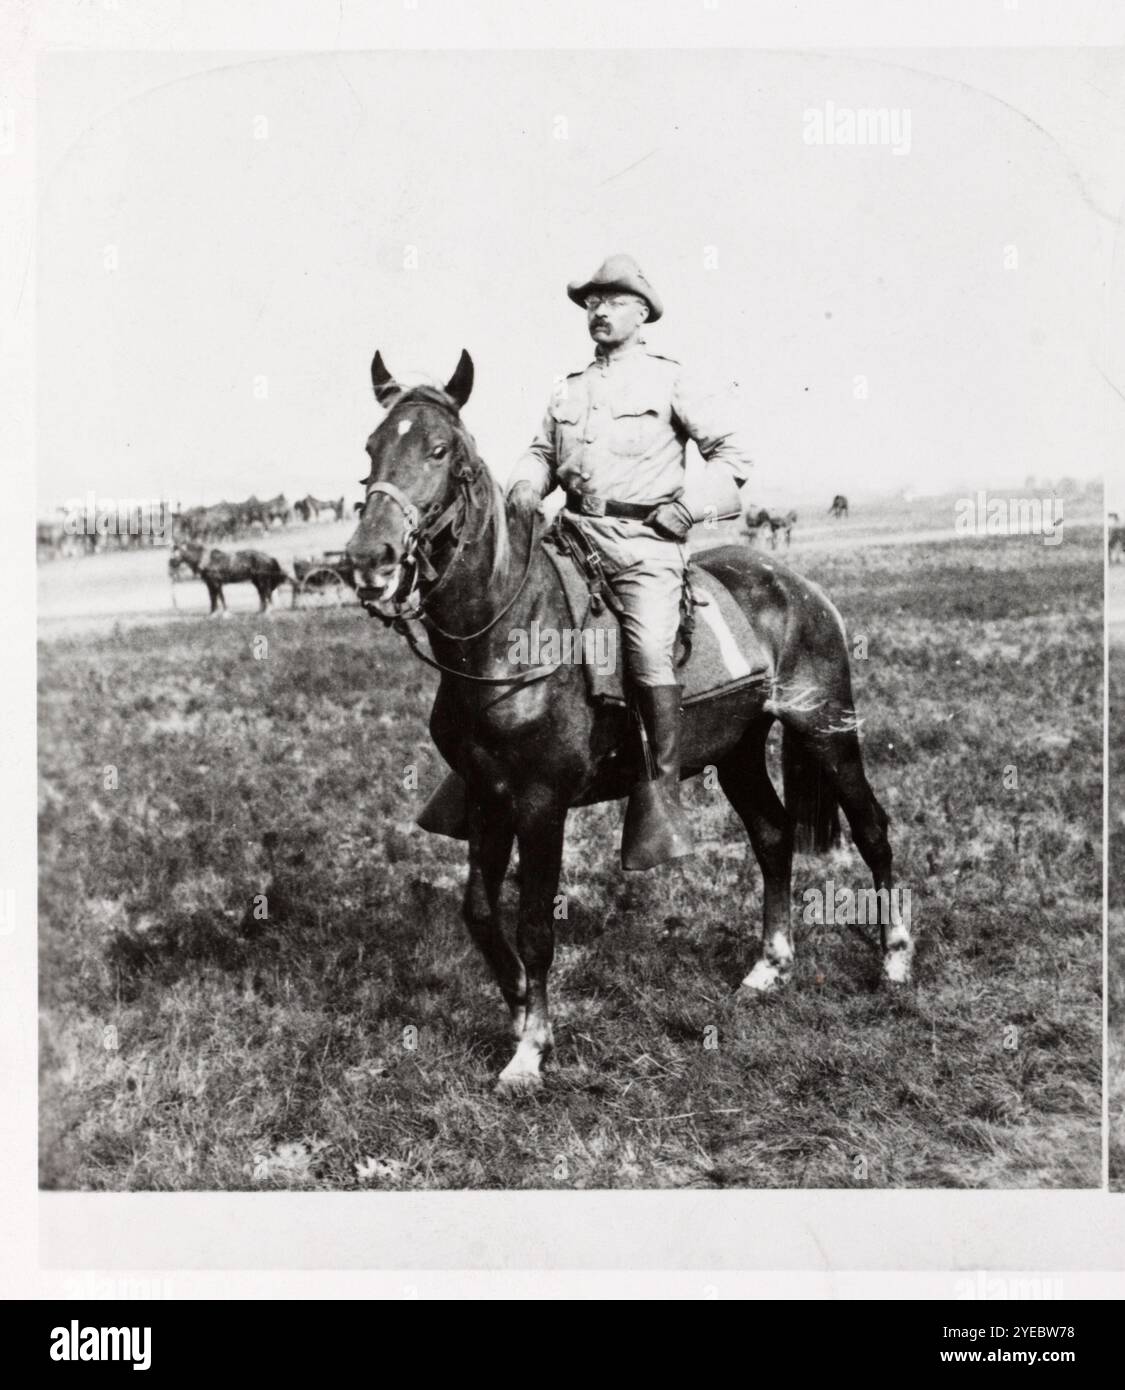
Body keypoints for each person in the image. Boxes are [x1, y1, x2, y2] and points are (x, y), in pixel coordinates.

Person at [504, 253, 753, 868]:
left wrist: (689, 509)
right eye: (591, 302)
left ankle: (660, 795)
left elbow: (732, 458)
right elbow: (540, 451)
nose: (599, 311)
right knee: (514, 632)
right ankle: (486, 769)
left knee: (644, 651)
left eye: (612, 301)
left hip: (645, 545)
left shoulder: (670, 380)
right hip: (574, 535)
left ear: (642, 312)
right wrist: (525, 485)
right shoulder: (569, 388)